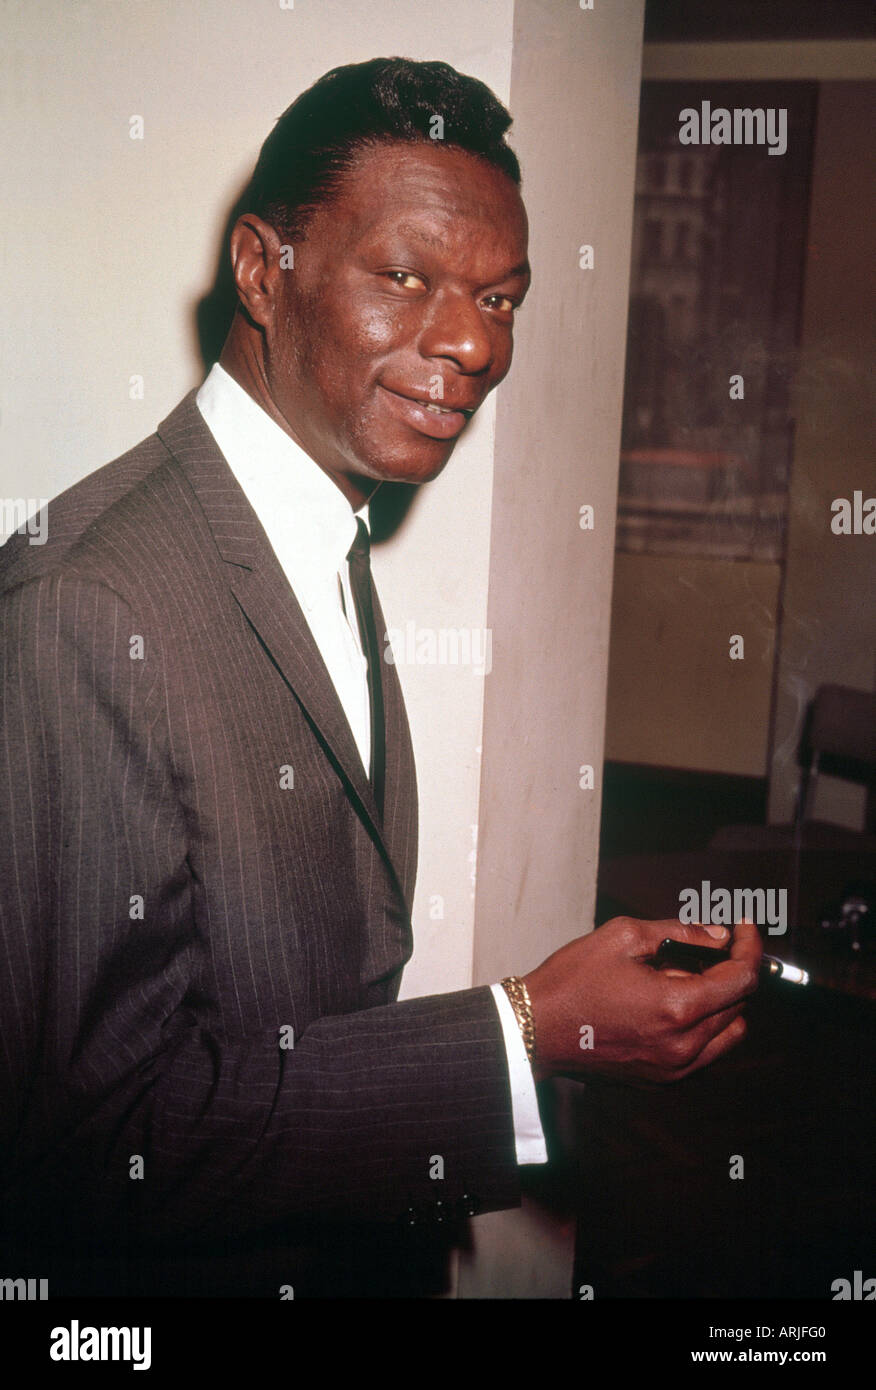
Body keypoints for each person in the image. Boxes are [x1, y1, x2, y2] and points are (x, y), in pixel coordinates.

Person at [0, 57, 761, 1298]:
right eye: (405, 278)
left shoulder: (314, 523)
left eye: (502, 298)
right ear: (263, 270)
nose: (469, 342)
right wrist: (527, 1033)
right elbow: (89, 1141)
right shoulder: (85, 602)